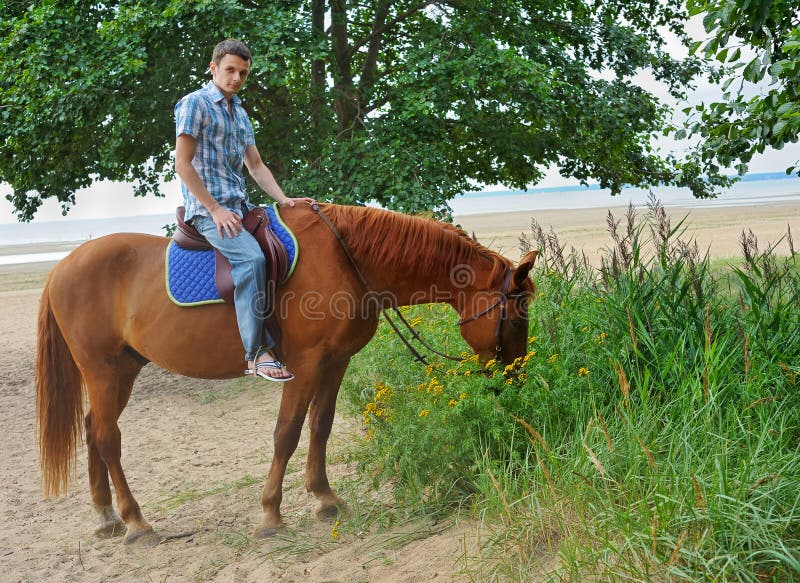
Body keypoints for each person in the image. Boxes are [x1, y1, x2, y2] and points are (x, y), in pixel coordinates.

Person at [174, 39, 314, 382]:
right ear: (213, 67)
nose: (236, 78)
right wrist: (215, 209)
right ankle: (255, 354)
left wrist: (284, 200)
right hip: (206, 212)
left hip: (240, 205)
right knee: (251, 260)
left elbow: (256, 165)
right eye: (230, 70)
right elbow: (182, 164)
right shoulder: (195, 104)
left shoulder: (240, 113)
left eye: (243, 73)